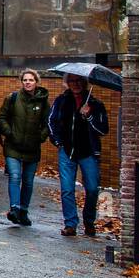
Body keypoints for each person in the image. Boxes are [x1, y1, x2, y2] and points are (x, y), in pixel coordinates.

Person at [48, 72, 110, 237]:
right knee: (67, 189)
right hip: (67, 151)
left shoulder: (95, 104)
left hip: (88, 152)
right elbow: (51, 121)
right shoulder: (61, 101)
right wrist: (58, 142)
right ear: (67, 83)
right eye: (72, 81)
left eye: (79, 80)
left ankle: (89, 221)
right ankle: (70, 224)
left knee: (92, 189)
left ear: (84, 82)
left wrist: (89, 116)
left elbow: (103, 129)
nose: (75, 84)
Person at [0, 69, 50, 227]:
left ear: (36, 82)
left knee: (28, 181)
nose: (27, 82)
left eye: (31, 80)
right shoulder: (12, 98)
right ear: (22, 82)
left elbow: (49, 123)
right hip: (13, 145)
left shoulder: (43, 102)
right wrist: (9, 132)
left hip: (32, 148)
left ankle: (24, 212)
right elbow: (1, 117)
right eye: (25, 80)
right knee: (14, 176)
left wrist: (41, 137)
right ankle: (14, 209)